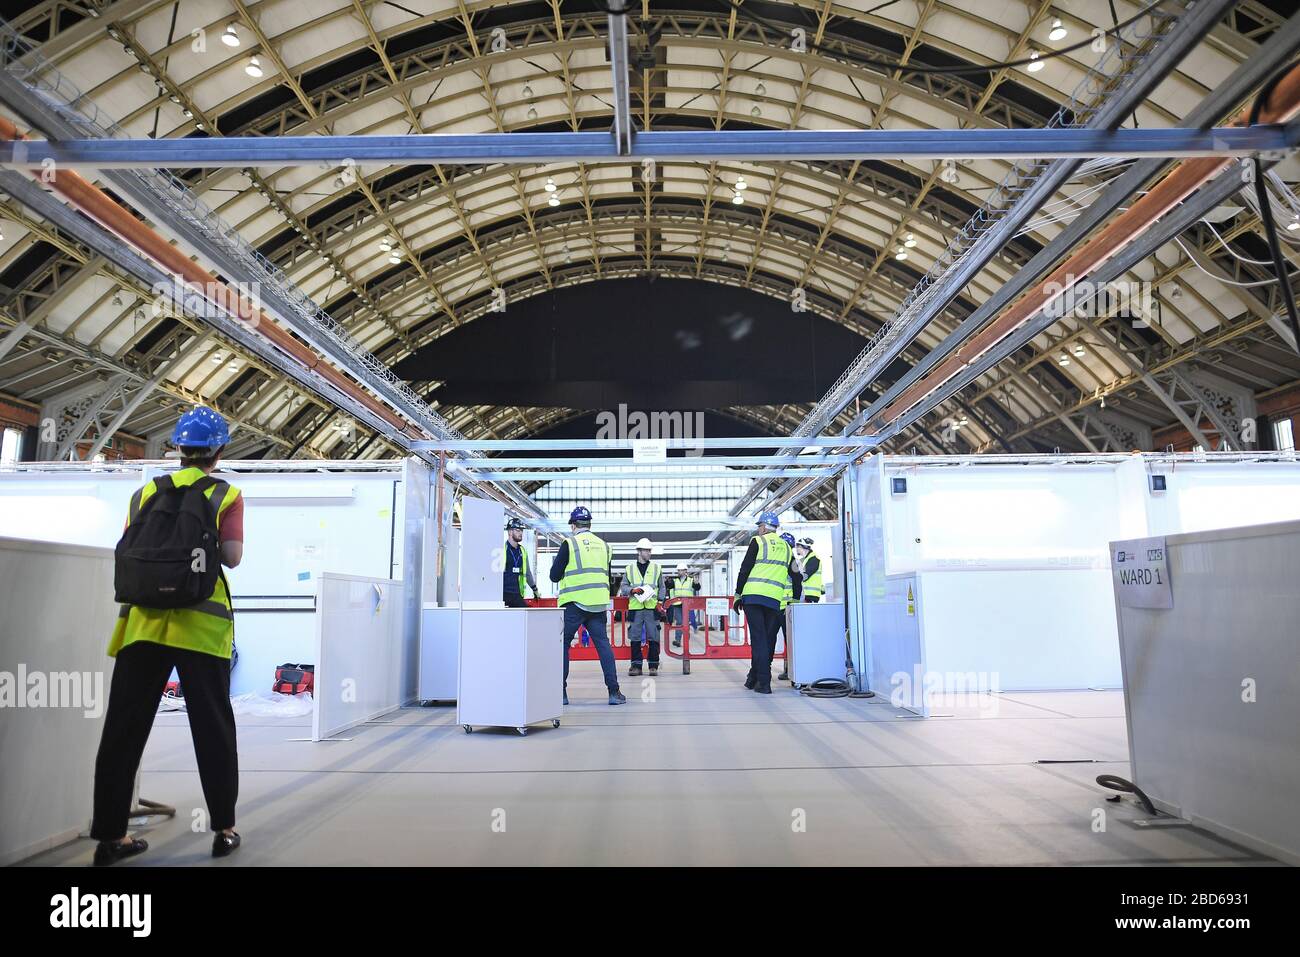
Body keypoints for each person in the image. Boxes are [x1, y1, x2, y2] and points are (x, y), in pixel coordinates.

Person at [91, 407, 244, 866]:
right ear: (218, 450)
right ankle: (223, 829)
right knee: (213, 729)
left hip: (142, 627)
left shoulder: (144, 493)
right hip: (201, 627)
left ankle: (111, 838)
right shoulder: (227, 493)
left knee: (123, 731)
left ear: (177, 448)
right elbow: (232, 557)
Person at [551, 506, 625, 706]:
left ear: (573, 525)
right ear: (589, 524)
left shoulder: (569, 543)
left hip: (574, 604)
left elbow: (554, 575)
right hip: (598, 605)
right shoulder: (605, 546)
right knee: (603, 646)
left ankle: (560, 694)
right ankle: (614, 692)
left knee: (563, 645)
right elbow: (607, 577)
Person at [732, 511, 800, 694]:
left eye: (759, 527)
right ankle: (753, 679)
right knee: (766, 641)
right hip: (774, 601)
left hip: (753, 598)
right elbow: (796, 575)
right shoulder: (787, 548)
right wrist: (794, 600)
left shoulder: (757, 541)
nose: (759, 530)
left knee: (759, 640)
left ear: (763, 527)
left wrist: (738, 594)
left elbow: (745, 569)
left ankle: (764, 683)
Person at [621, 537, 663, 676]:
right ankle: (636, 666)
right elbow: (623, 587)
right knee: (635, 637)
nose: (649, 553)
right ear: (639, 551)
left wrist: (660, 602)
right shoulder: (630, 568)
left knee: (654, 637)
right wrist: (632, 590)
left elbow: (662, 587)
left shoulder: (657, 568)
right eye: (646, 550)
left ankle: (653, 666)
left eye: (650, 550)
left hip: (652, 608)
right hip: (635, 607)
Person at [774, 531, 801, 682]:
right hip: (782, 608)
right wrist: (795, 601)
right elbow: (797, 581)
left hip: (779, 607)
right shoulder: (790, 561)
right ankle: (791, 672)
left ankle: (789, 671)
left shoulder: (789, 561)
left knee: (783, 641)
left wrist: (795, 601)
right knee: (788, 641)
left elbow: (797, 581)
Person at [502, 516, 538, 608]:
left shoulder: (522, 551)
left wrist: (534, 589)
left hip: (517, 595)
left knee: (526, 618)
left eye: (521, 530)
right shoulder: (502, 550)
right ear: (510, 532)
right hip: (502, 595)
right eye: (518, 530)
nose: (521, 533)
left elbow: (528, 573)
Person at [668, 562, 696, 648]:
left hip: (687, 604)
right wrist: (667, 582)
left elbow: (697, 587)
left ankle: (686, 639)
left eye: (681, 570)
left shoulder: (691, 580)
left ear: (685, 571)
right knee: (679, 622)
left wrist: (697, 583)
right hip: (677, 604)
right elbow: (669, 587)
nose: (679, 572)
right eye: (678, 570)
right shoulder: (675, 581)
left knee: (686, 623)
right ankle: (678, 640)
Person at [796, 537, 824, 603]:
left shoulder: (814, 559)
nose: (796, 548)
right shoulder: (806, 559)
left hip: (811, 595)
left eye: (798, 546)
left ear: (803, 547)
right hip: (806, 595)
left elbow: (805, 576)